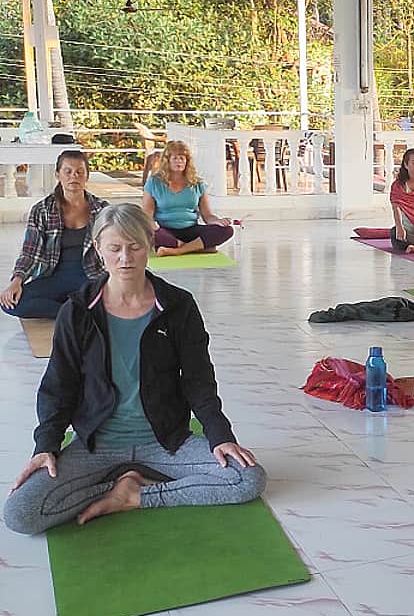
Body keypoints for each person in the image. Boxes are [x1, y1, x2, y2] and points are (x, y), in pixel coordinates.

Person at [3, 204, 264, 535]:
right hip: (97, 446)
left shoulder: (178, 305)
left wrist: (220, 435)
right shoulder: (78, 310)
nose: (125, 258)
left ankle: (138, 495)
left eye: (135, 246)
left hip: (166, 442)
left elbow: (199, 381)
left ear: (151, 244)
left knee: (247, 478)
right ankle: (116, 487)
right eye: (114, 248)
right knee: (20, 513)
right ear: (98, 249)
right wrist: (46, 446)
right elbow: (59, 384)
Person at [1, 150, 108, 319]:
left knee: (114, 302)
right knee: (12, 303)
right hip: (53, 276)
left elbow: (114, 248)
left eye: (80, 171)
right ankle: (76, 313)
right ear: (58, 175)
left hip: (91, 276)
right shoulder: (42, 210)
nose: (74, 176)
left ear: (87, 176)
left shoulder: (102, 209)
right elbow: (30, 252)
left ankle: (73, 309)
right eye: (68, 171)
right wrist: (16, 281)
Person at [142, 140, 235, 257]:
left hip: (191, 229)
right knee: (149, 233)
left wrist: (218, 221)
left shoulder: (197, 184)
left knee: (227, 230)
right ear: (167, 161)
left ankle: (177, 250)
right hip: (164, 230)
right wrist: (154, 227)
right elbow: (146, 216)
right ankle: (197, 247)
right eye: (175, 158)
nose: (179, 162)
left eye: (182, 158)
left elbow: (207, 216)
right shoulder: (154, 183)